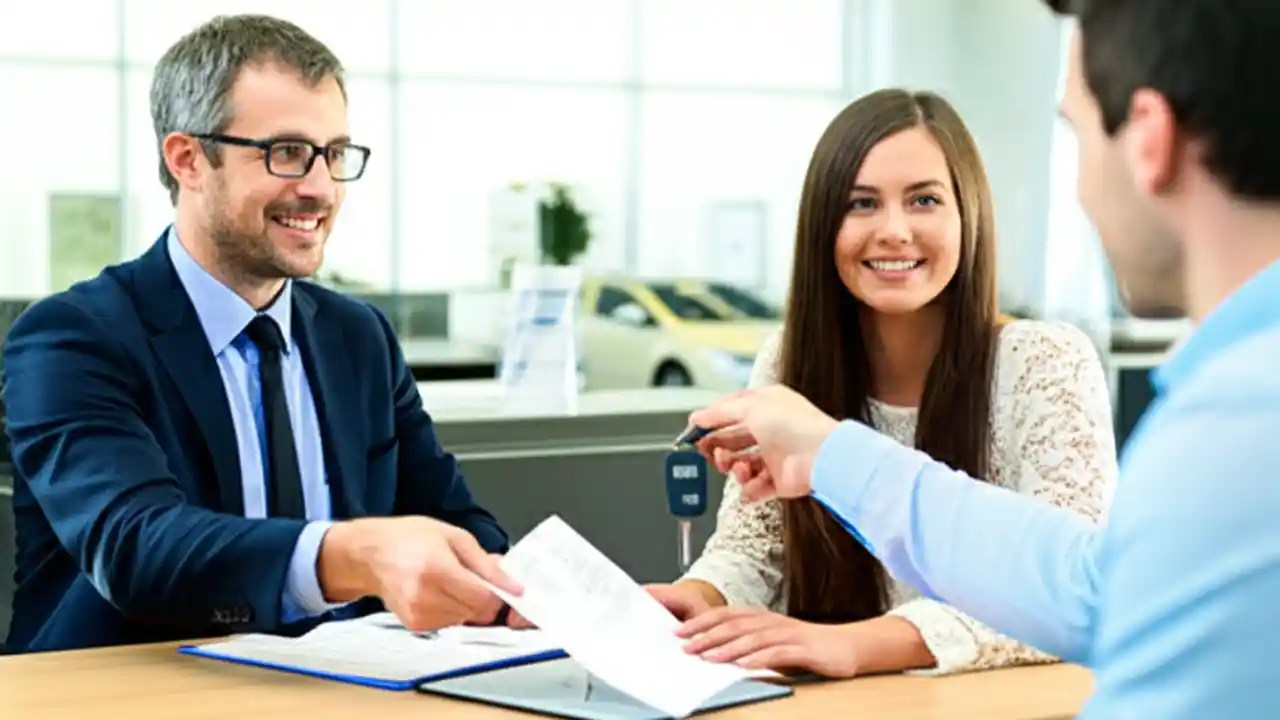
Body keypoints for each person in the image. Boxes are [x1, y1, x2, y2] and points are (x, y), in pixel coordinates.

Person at [682, 1, 1280, 716]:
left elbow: (1097, 600)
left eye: (1075, 136)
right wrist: (829, 457)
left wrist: (837, 473)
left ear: (1148, 139)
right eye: (861, 203)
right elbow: (1085, 585)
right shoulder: (1233, 400)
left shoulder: (1236, 424)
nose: (893, 230)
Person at [1, 14, 519, 654]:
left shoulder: (357, 337)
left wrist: (555, 599)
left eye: (334, 154)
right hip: (128, 690)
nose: (321, 188)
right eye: (287, 153)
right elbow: (134, 545)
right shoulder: (73, 336)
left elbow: (457, 522)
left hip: (344, 684)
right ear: (188, 159)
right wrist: (347, 554)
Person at [645, 88, 1118, 678]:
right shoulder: (788, 362)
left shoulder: (1045, 361)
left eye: (923, 200)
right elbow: (755, 548)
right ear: (823, 225)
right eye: (861, 204)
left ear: (968, 215)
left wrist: (854, 645)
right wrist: (704, 596)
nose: (894, 230)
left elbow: (1070, 590)